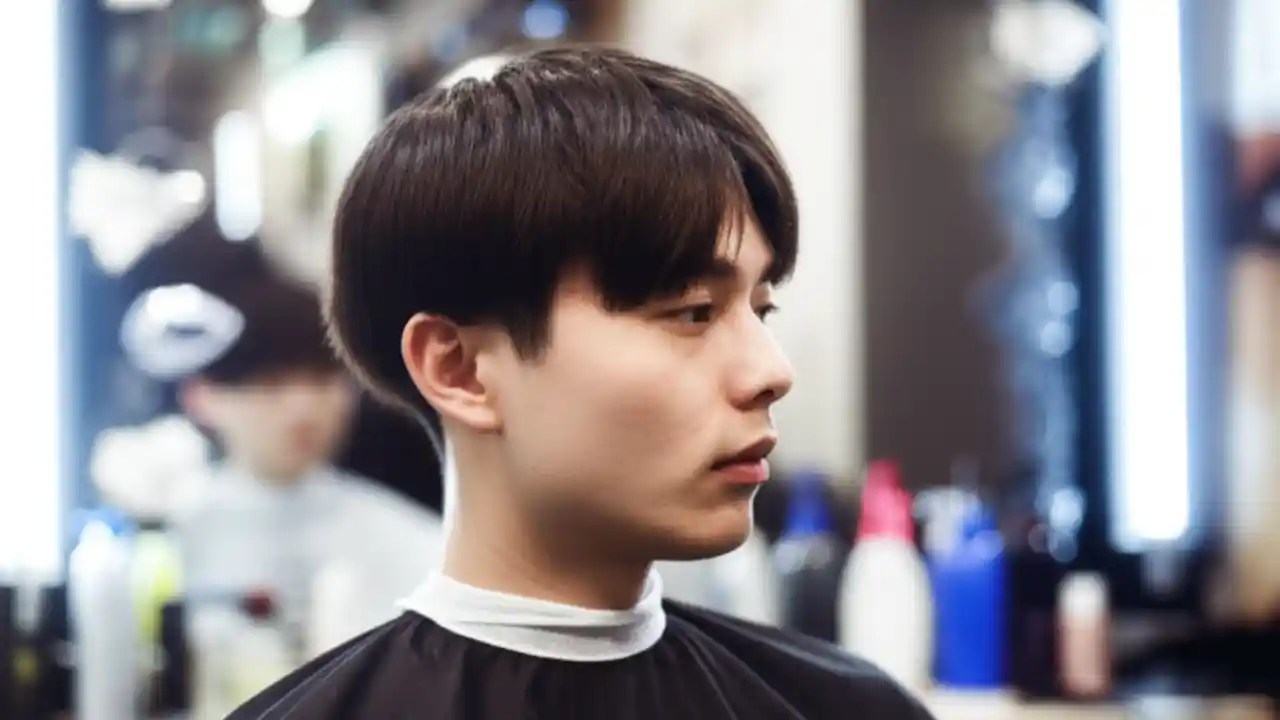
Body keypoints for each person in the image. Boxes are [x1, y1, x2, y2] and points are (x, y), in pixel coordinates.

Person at [230, 46, 934, 719]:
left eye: (760, 310)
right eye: (692, 312)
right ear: (459, 368)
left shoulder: (846, 707)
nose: (772, 373)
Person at [171, 274, 444, 716]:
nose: (302, 408)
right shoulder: (168, 534)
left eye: (322, 378)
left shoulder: (417, 542)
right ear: (202, 396)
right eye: (272, 383)